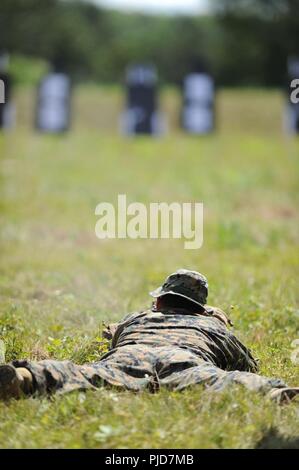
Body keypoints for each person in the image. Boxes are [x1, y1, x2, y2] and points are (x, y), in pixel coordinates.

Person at [0, 269, 298, 404]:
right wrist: (217, 321)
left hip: (129, 356)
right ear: (201, 307)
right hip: (186, 363)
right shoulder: (214, 327)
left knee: (83, 374)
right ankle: (274, 394)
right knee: (223, 382)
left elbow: (114, 335)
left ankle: (26, 376)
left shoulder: (138, 317)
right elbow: (246, 366)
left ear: (158, 301)